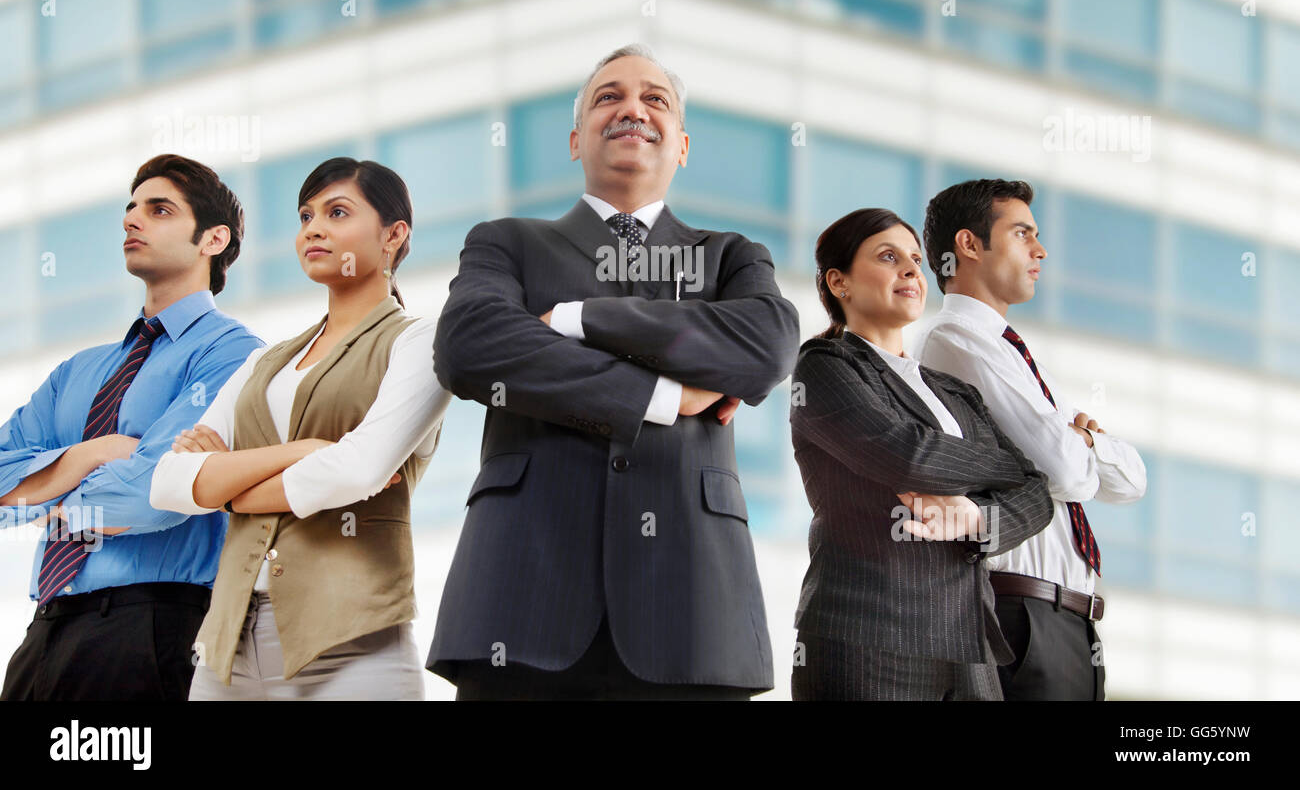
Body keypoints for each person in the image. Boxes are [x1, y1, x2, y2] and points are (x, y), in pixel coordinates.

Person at [427, 43, 800, 699]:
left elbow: (766, 351)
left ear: (682, 145)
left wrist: (578, 317)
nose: (633, 108)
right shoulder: (507, 242)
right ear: (576, 140)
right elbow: (471, 347)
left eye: (655, 99)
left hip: (693, 617)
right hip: (521, 603)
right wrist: (664, 393)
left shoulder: (733, 256)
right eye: (610, 96)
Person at [150, 157, 450, 700]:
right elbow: (169, 483)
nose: (313, 227)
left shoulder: (421, 343)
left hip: (353, 645)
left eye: (337, 212)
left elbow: (357, 471)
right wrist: (308, 450)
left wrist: (228, 490)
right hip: (226, 648)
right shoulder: (264, 362)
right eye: (306, 215)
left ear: (393, 235)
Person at [0, 155, 263, 700]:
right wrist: (92, 455)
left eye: (159, 209)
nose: (131, 220)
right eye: (130, 208)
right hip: (45, 632)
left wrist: (45, 500)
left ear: (213, 240)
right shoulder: (77, 371)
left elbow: (154, 496)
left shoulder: (233, 354)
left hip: (151, 627)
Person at [789, 207, 1054, 701]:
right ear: (839, 282)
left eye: (915, 258)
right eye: (888, 257)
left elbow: (1039, 492)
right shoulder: (825, 366)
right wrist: (1007, 469)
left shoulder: (955, 392)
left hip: (970, 639)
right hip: (869, 636)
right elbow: (908, 455)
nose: (912, 270)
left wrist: (976, 515)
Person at [914, 179, 1146, 700]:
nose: (1040, 250)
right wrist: (1081, 443)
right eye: (1022, 234)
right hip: (1020, 618)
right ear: (969, 245)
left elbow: (1130, 480)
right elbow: (1065, 472)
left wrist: (1083, 445)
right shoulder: (956, 343)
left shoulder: (1017, 357)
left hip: (1070, 623)